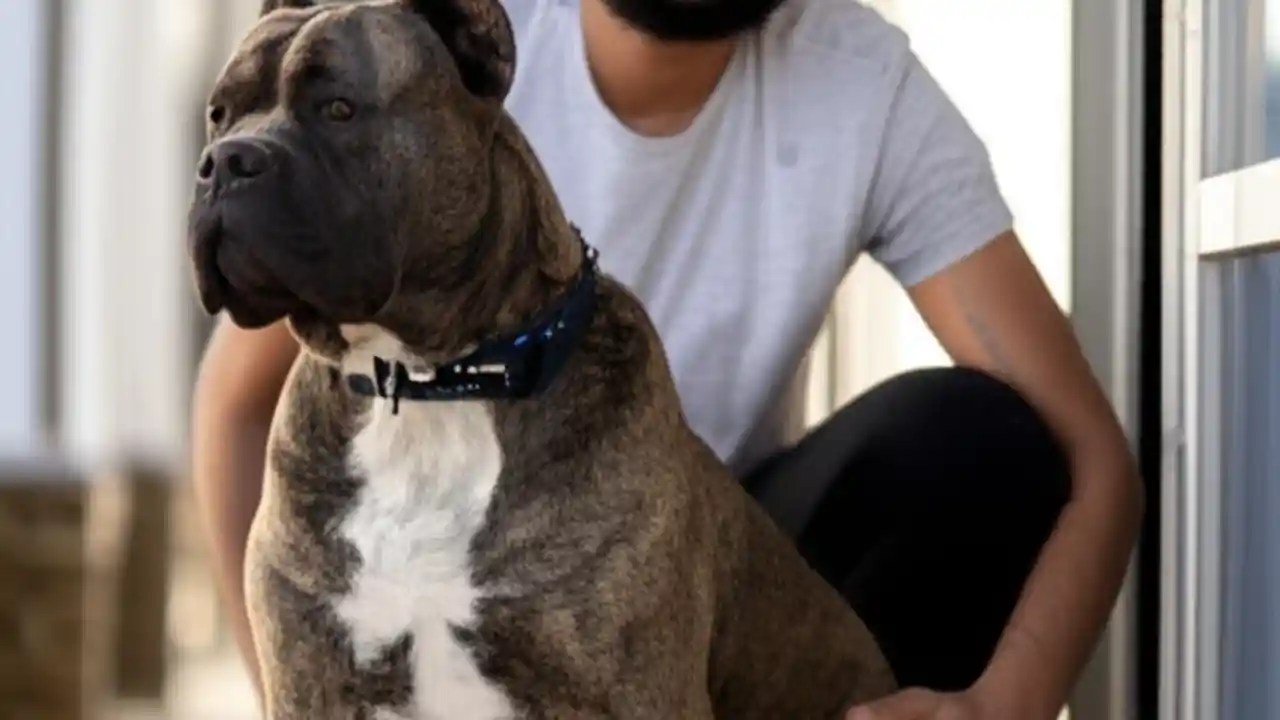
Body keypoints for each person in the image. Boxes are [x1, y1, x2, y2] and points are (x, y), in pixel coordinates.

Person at [191, 0, 1143, 718]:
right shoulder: (436, 41)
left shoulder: (860, 81)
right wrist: (291, 678)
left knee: (970, 443)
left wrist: (998, 704)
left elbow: (1092, 461)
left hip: (723, 548)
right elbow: (234, 409)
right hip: (402, 498)